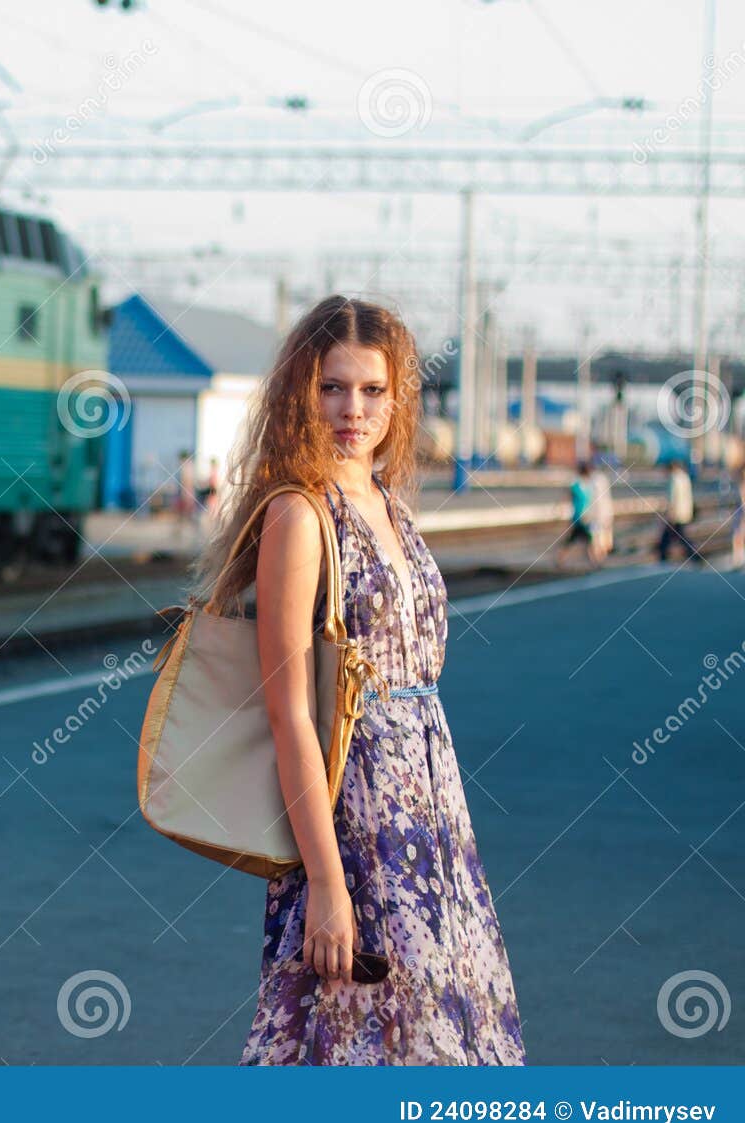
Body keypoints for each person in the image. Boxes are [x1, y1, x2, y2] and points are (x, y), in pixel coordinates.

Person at [185, 295, 526, 1065]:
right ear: (300, 394)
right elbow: (290, 715)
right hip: (354, 818)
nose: (352, 409)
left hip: (431, 812)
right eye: (332, 387)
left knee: (437, 1035)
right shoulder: (300, 517)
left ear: (398, 396)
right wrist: (329, 885)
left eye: (372, 390)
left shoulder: (389, 506)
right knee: (354, 1039)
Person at [555, 461, 600, 570]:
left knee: (578, 540)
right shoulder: (577, 484)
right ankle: (593, 562)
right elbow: (567, 496)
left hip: (586, 517)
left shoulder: (588, 484)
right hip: (579, 518)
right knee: (584, 540)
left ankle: (561, 559)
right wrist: (560, 507)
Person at [655, 458, 700, 565]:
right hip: (685, 513)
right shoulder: (684, 477)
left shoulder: (673, 479)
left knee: (677, 537)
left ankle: (663, 557)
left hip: (676, 514)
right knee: (680, 536)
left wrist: (671, 514)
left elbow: (673, 498)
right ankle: (664, 556)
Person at [588, 457, 614, 563]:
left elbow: (595, 499)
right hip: (606, 512)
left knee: (595, 536)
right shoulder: (603, 478)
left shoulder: (593, 480)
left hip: (597, 514)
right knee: (603, 535)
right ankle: (600, 556)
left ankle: (597, 557)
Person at [729, 463, 745, 571]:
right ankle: (738, 560)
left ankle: (739, 560)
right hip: (739, 513)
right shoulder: (740, 484)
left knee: (739, 536)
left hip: (741, 513)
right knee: (737, 536)